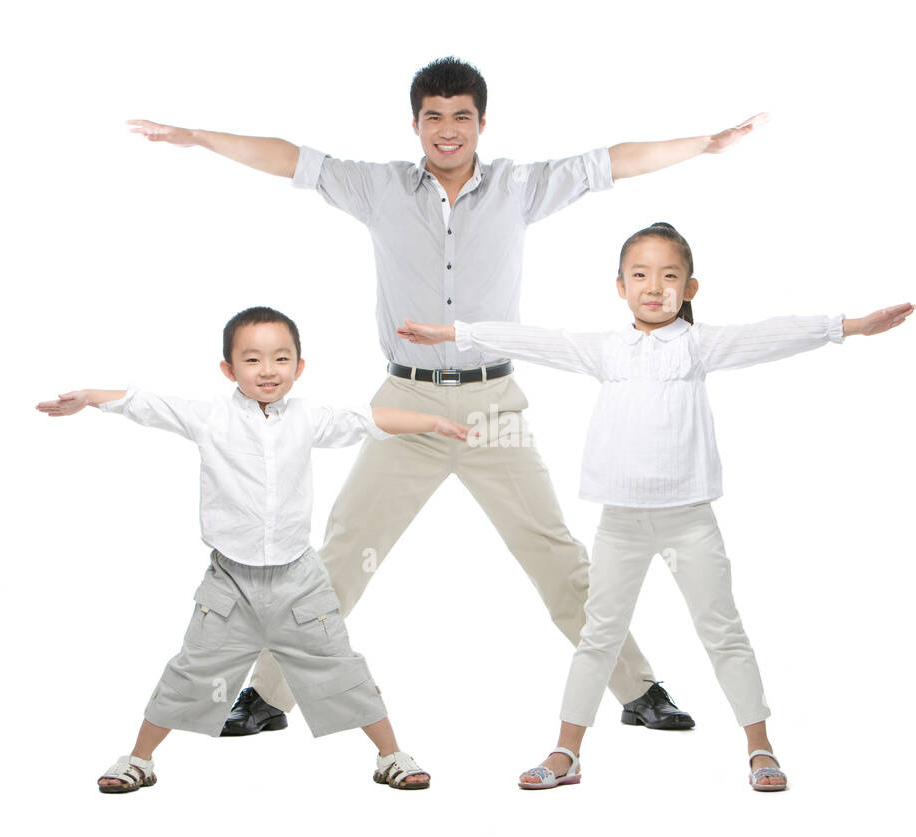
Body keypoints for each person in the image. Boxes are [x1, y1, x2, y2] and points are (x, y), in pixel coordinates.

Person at [127, 56, 769, 737]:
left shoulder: (520, 188)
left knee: (554, 553)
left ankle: (639, 690)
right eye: (434, 116)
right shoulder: (378, 190)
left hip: (495, 406)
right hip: (408, 404)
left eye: (461, 115)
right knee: (346, 550)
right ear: (416, 124)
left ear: (481, 122)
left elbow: (611, 161)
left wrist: (703, 144)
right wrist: (198, 137)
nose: (448, 130)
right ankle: (268, 696)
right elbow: (292, 158)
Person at [398, 222, 914, 791]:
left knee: (721, 630)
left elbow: (772, 334)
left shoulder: (698, 346)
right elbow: (532, 339)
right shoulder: (604, 350)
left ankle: (760, 748)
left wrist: (847, 327)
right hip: (620, 523)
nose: (654, 286)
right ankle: (566, 753)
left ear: (689, 289)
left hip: (689, 520)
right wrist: (454, 332)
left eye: (669, 276)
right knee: (600, 635)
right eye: (640, 275)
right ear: (619, 286)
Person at [37, 306, 470, 792]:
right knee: (191, 672)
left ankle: (391, 755)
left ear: (298, 366)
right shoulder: (209, 416)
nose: (268, 370)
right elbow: (145, 403)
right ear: (229, 369)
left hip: (300, 583)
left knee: (341, 669)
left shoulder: (309, 418)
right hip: (230, 585)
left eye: (281, 358)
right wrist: (91, 397)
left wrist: (433, 422)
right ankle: (138, 759)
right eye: (253, 360)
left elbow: (370, 419)